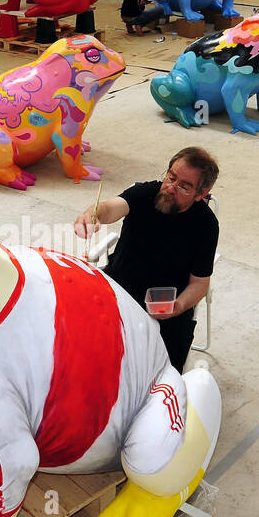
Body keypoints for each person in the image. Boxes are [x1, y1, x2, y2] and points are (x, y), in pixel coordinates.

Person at [74, 147, 219, 371]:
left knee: (160, 375)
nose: (171, 188)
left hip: (165, 303)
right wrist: (92, 214)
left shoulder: (206, 225)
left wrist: (178, 305)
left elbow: (200, 283)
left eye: (184, 186)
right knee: (83, 351)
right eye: (171, 177)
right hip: (119, 289)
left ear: (201, 193)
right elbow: (109, 208)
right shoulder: (146, 193)